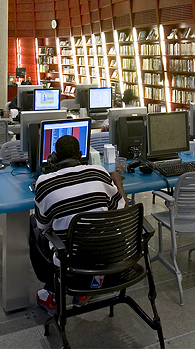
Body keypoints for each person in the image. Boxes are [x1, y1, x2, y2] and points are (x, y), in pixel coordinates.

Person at [29, 135, 127, 315]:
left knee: (34, 225)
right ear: (81, 154)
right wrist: (118, 182)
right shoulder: (99, 172)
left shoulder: (44, 182)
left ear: (54, 157)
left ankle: (52, 293)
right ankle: (86, 288)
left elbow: (43, 227)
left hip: (71, 259)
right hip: (107, 253)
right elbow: (121, 208)